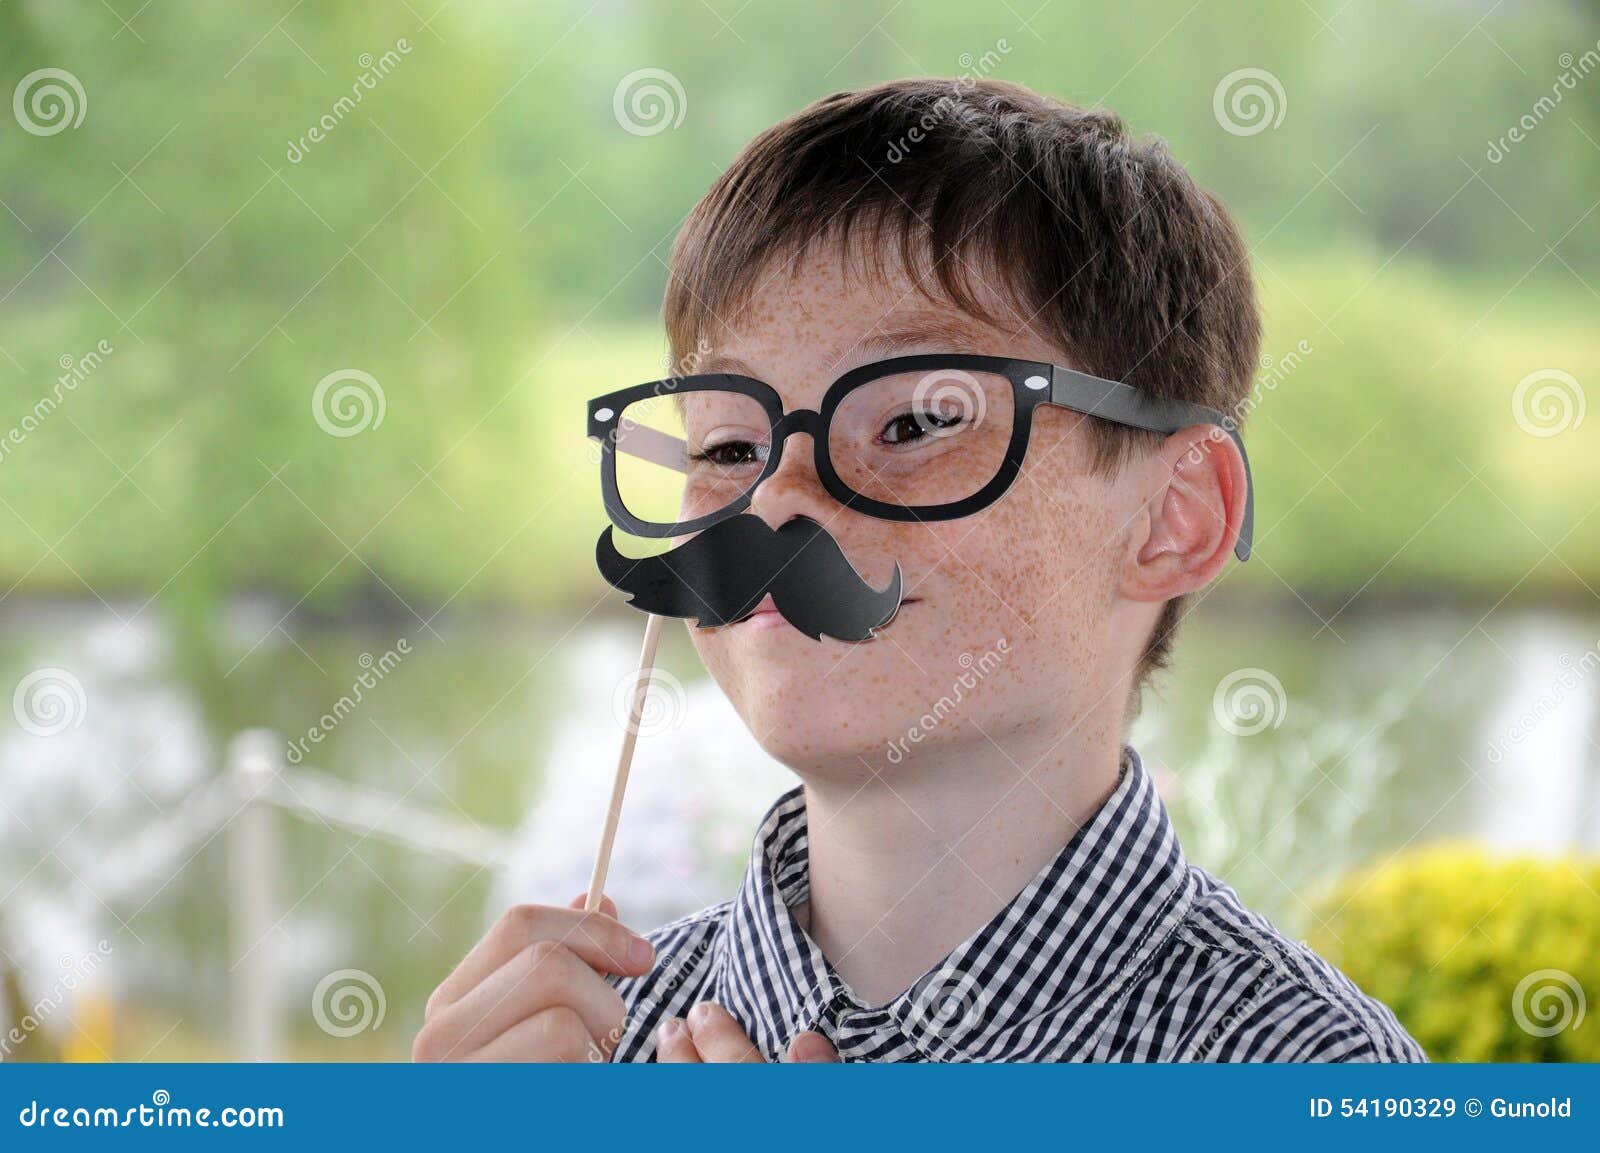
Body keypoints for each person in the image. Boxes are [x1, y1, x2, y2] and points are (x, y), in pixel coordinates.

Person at [413, 77, 1424, 1064]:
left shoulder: (1311, 1070)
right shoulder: (574, 1056)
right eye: (726, 445)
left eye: (913, 422)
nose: (776, 497)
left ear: (1174, 516)